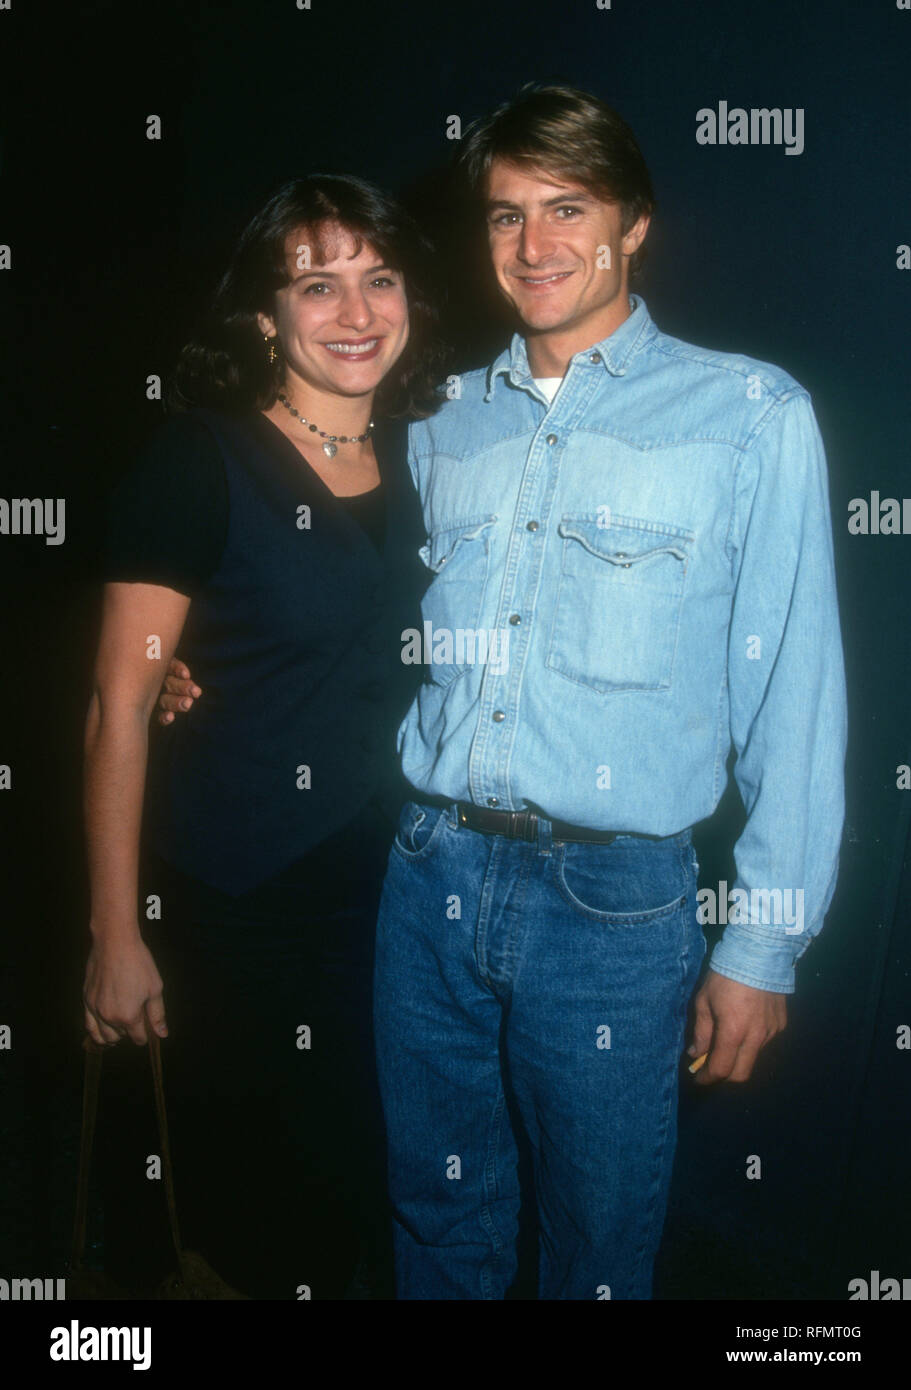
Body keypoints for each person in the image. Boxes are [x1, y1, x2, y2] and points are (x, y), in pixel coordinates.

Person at [165, 84, 847, 1302]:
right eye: (502, 216)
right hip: (421, 880)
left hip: (616, 909)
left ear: (634, 222)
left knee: (597, 1246)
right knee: (435, 1218)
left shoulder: (747, 416)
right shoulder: (435, 419)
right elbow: (339, 593)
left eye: (566, 208)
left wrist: (762, 946)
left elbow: (796, 696)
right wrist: (191, 653)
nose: (532, 246)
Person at [82, 173, 440, 1299]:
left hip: (395, 900)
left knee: (361, 1198)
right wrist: (114, 936)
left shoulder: (438, 459)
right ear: (261, 318)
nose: (355, 312)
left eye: (378, 279)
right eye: (315, 284)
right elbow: (120, 705)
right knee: (249, 1212)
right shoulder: (200, 458)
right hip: (242, 901)